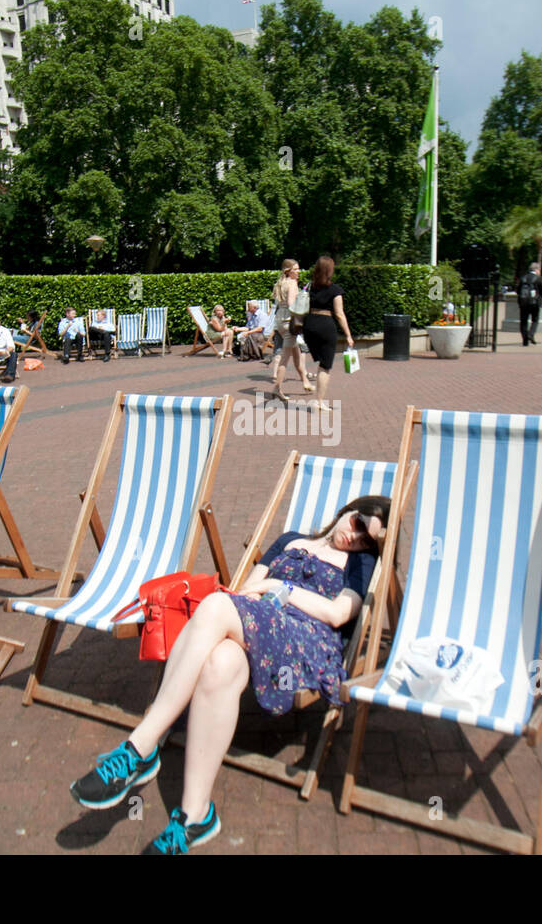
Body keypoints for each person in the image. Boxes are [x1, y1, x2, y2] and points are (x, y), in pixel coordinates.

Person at [69, 495, 391, 854]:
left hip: (305, 645)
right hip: (260, 625)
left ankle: (141, 747)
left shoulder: (360, 562)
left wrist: (278, 588)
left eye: (367, 538)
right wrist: (263, 594)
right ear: (347, 511)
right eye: (357, 523)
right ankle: (196, 817)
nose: (355, 536)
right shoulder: (290, 540)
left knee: (217, 604)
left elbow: (335, 613)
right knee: (221, 662)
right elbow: (247, 590)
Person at [297, 256, 352, 409]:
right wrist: (348, 334)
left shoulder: (309, 287)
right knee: (325, 365)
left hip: (309, 325)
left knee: (318, 359)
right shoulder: (335, 290)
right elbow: (339, 314)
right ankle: (319, 401)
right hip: (326, 326)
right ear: (330, 271)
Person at [268, 259, 314, 398]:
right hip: (289, 322)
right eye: (295, 269)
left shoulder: (280, 283)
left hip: (280, 321)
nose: (298, 272)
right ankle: (277, 388)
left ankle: (306, 382)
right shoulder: (292, 283)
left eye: (298, 269)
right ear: (288, 271)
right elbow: (291, 304)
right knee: (284, 359)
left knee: (297, 355)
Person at [517, 262, 542, 346]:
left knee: (523, 321)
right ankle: (530, 334)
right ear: (536, 269)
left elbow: (518, 290)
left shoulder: (523, 278)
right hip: (534, 302)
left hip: (523, 303)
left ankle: (525, 340)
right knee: (535, 320)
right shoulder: (538, 279)